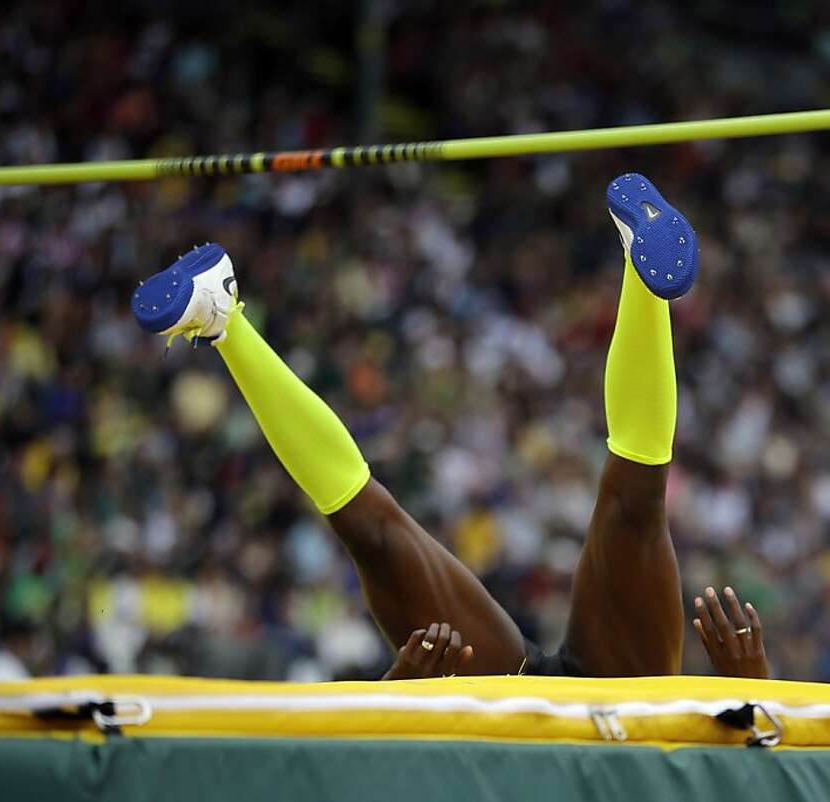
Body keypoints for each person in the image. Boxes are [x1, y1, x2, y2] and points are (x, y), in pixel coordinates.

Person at [131, 173, 699, 677]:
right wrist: (752, 676)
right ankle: (640, 283)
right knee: (633, 506)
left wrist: (401, 696)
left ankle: (221, 317)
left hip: (498, 723)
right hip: (613, 720)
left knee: (376, 536)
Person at [383, 586, 770, 680]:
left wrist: (393, 705)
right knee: (637, 501)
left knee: (375, 532)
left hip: (507, 731)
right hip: (625, 717)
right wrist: (754, 694)